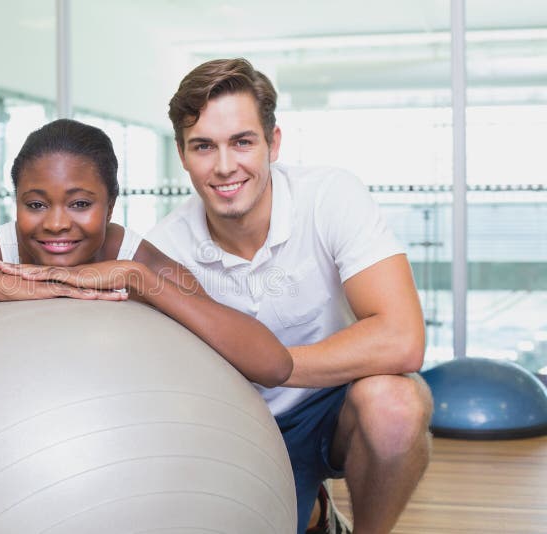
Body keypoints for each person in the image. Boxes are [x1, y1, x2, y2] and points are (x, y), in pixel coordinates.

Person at [146, 58, 433, 534]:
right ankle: (317, 511)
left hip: (335, 408)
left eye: (242, 142)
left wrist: (268, 364)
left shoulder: (330, 195)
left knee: (396, 404)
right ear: (181, 154)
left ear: (273, 143)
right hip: (243, 426)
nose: (224, 166)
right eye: (203, 146)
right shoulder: (165, 248)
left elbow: (403, 339)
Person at [0, 118, 292, 397]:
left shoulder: (135, 257)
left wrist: (136, 277)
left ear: (111, 206)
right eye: (35, 204)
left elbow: (272, 365)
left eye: (79, 203)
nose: (54, 224)